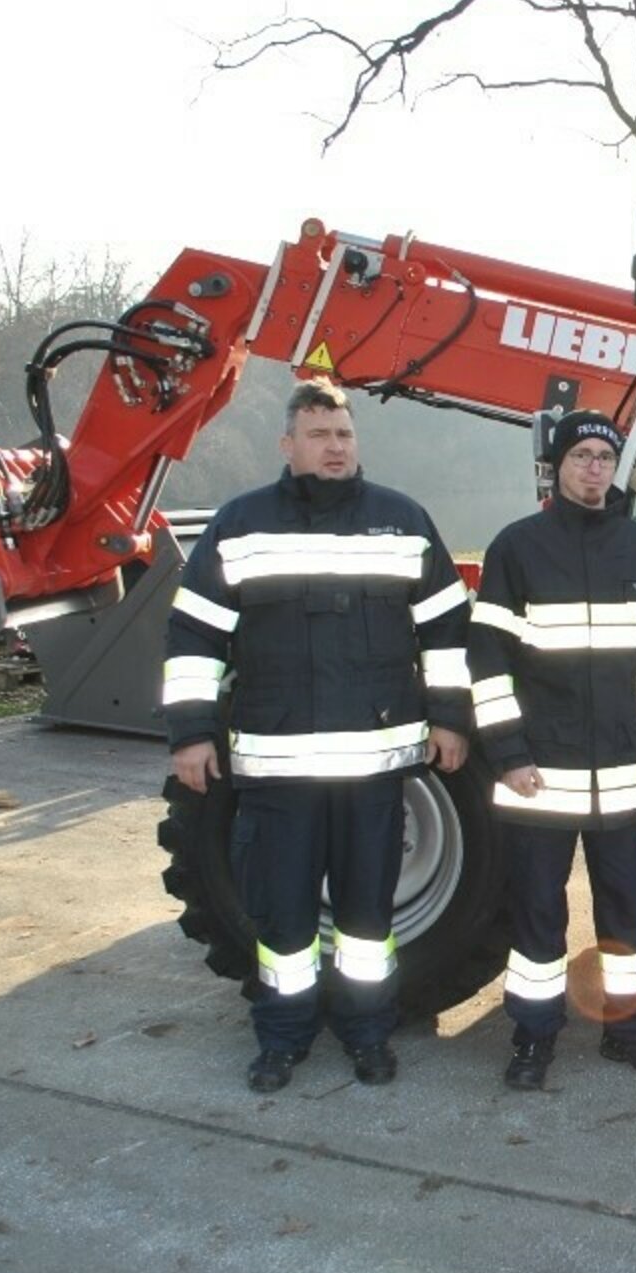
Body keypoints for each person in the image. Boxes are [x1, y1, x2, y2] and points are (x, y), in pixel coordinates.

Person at [164, 377, 471, 1094]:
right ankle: (282, 1039)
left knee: (367, 922)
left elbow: (449, 635)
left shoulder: (403, 521)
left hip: (374, 772)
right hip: (279, 773)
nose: (334, 447)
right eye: (318, 435)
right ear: (288, 444)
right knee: (285, 918)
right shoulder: (240, 525)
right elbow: (194, 636)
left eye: (344, 435)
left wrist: (452, 720)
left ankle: (368, 1034)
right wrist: (190, 733)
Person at [468, 410, 636, 1091]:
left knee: (626, 915)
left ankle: (631, 1034)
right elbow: (487, 663)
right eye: (582, 456)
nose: (593, 468)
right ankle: (533, 1040)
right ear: (558, 467)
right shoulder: (518, 547)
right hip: (539, 776)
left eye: (604, 456)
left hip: (624, 774)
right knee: (537, 916)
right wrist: (507, 753)